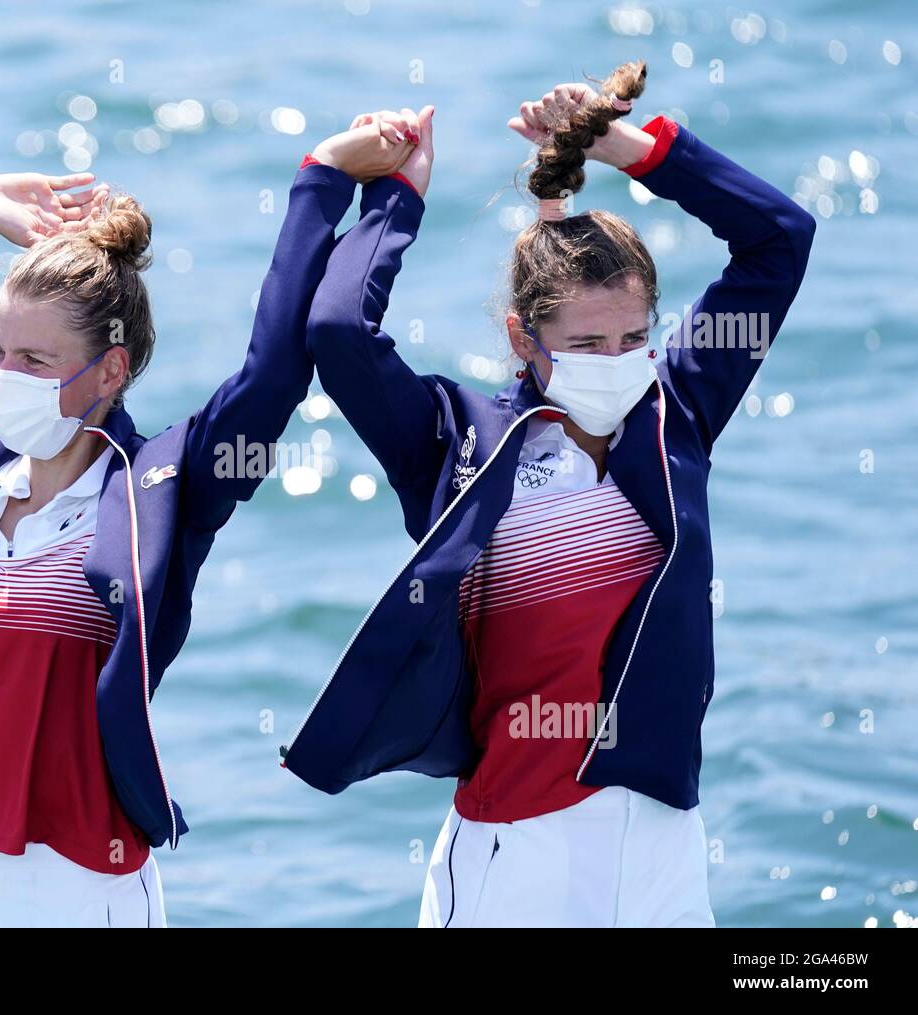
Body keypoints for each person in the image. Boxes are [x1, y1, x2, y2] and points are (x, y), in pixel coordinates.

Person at [0, 125, 413, 926]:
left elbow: (273, 370)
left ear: (112, 369)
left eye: (34, 360)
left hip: (85, 890)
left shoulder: (165, 489)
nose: (3, 378)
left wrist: (325, 181)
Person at [281, 61, 816, 927]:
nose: (618, 361)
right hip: (512, 855)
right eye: (589, 341)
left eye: (636, 336)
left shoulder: (676, 412)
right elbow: (338, 332)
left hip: (663, 847)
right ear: (522, 340)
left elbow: (780, 236)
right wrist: (387, 196)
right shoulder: (455, 442)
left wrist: (626, 151)